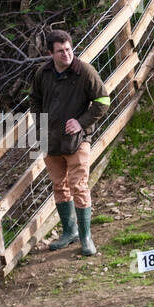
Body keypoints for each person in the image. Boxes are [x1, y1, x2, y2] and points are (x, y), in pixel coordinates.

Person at [30, 29, 110, 257]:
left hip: (78, 141)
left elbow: (103, 100)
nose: (66, 54)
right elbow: (34, 100)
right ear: (50, 53)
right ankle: (69, 232)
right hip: (51, 141)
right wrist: (41, 125)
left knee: (79, 186)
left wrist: (81, 122)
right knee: (59, 187)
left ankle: (86, 238)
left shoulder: (84, 71)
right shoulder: (42, 73)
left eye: (68, 49)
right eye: (60, 51)